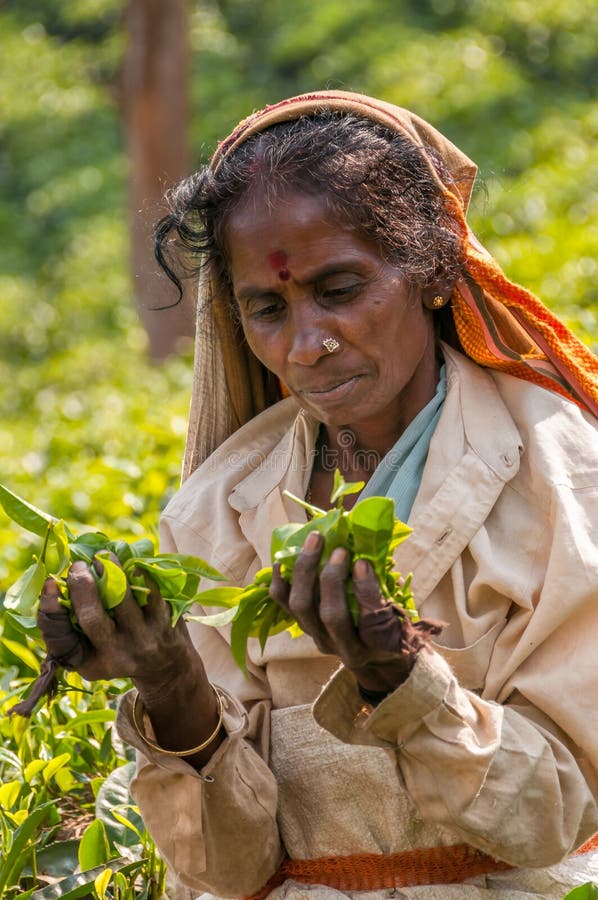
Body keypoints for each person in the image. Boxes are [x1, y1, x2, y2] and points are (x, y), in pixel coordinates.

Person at [38, 91, 598, 899]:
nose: (307, 344)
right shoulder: (218, 508)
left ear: (434, 269)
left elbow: (557, 811)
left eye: (339, 289)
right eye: (267, 307)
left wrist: (402, 681)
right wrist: (172, 687)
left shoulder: (563, 475)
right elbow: (229, 870)